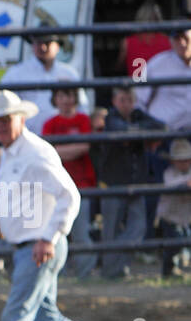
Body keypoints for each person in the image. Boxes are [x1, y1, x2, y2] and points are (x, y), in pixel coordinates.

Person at [0, 90, 133, 321]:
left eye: (6, 120)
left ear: (20, 119)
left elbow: (70, 196)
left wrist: (48, 237)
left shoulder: (34, 153)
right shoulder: (12, 154)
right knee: (43, 320)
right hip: (33, 245)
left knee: (14, 319)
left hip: (39, 247)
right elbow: (20, 200)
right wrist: (0, 226)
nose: (1, 127)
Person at [92, 85, 164, 279]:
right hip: (113, 183)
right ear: (115, 101)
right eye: (122, 100)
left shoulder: (138, 115)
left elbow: (161, 126)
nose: (126, 104)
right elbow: (120, 129)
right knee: (111, 230)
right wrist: (141, 133)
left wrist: (134, 131)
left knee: (138, 228)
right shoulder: (111, 118)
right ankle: (111, 273)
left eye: (129, 100)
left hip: (135, 183)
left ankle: (113, 268)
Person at [41, 86, 99, 278]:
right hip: (57, 188)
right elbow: (47, 153)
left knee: (81, 232)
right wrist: (70, 149)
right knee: (57, 233)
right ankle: (58, 274)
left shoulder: (82, 120)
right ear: (55, 99)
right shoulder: (50, 123)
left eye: (69, 95)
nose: (65, 100)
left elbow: (83, 147)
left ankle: (84, 273)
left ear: (75, 99)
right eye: (61, 95)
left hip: (82, 184)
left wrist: (57, 151)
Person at [1, 26, 88, 135]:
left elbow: (81, 106)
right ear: (32, 45)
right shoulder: (15, 74)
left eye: (47, 42)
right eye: (38, 42)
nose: (42, 47)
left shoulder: (69, 73)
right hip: (30, 139)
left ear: (57, 46)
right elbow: (4, 108)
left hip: (63, 140)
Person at [154, 137, 191, 276]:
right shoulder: (169, 173)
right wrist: (186, 183)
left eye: (187, 159)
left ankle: (176, 268)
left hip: (185, 216)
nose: (184, 163)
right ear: (173, 161)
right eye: (180, 160)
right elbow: (170, 184)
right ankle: (167, 271)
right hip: (169, 216)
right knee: (173, 245)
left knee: (180, 242)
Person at [122, 2, 171, 79]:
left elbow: (119, 67)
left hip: (138, 87)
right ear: (158, 19)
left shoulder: (127, 42)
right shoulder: (168, 41)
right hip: (159, 87)